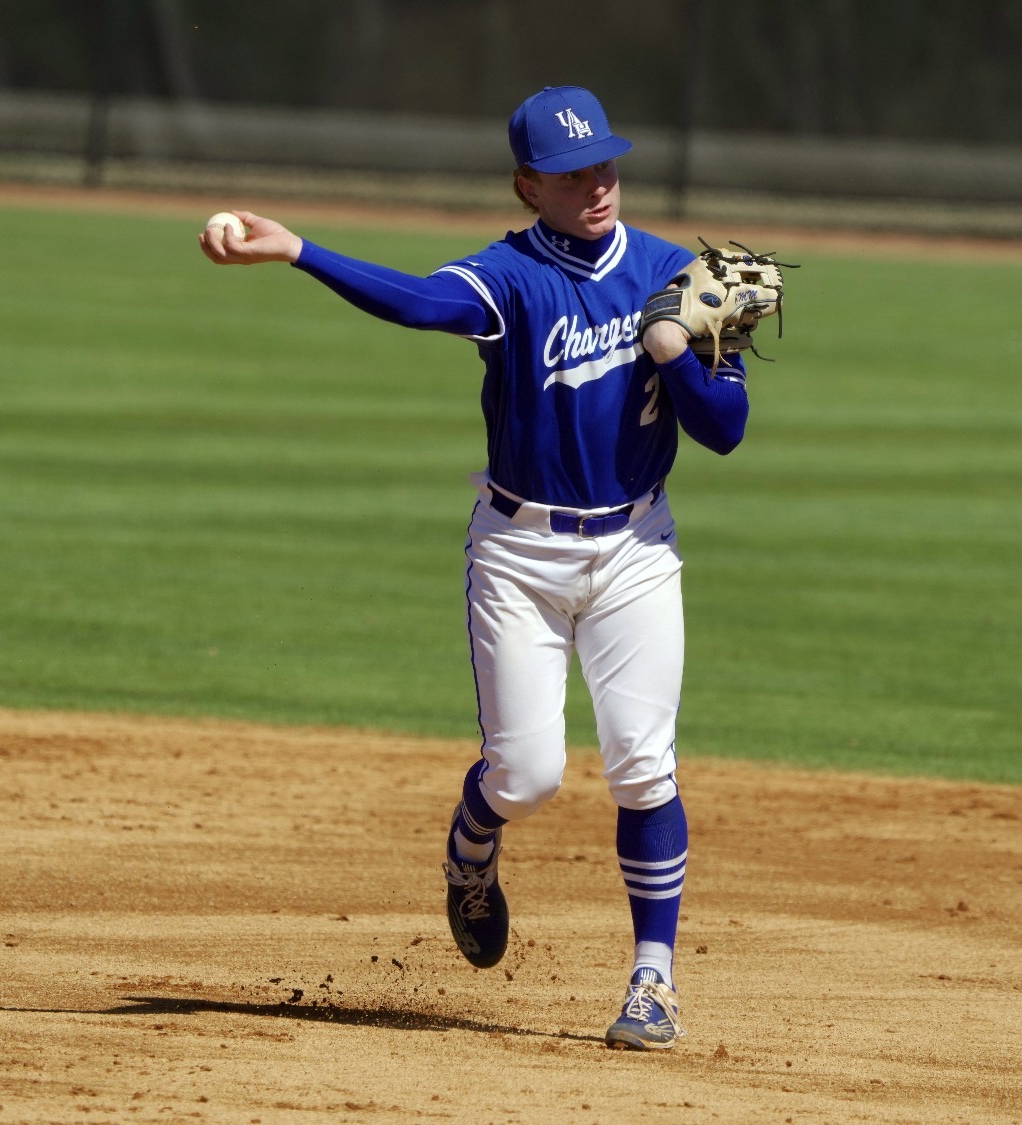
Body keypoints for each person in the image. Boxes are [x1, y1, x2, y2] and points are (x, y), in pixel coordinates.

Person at [198, 86, 748, 1050]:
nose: (598, 184)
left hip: (635, 552)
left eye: (607, 164)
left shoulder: (677, 274)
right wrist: (299, 251)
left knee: (642, 766)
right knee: (527, 773)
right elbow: (419, 302)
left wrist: (681, 355)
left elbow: (728, 431)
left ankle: (651, 982)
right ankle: (471, 852)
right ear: (528, 184)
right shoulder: (510, 274)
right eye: (574, 173)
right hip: (518, 552)